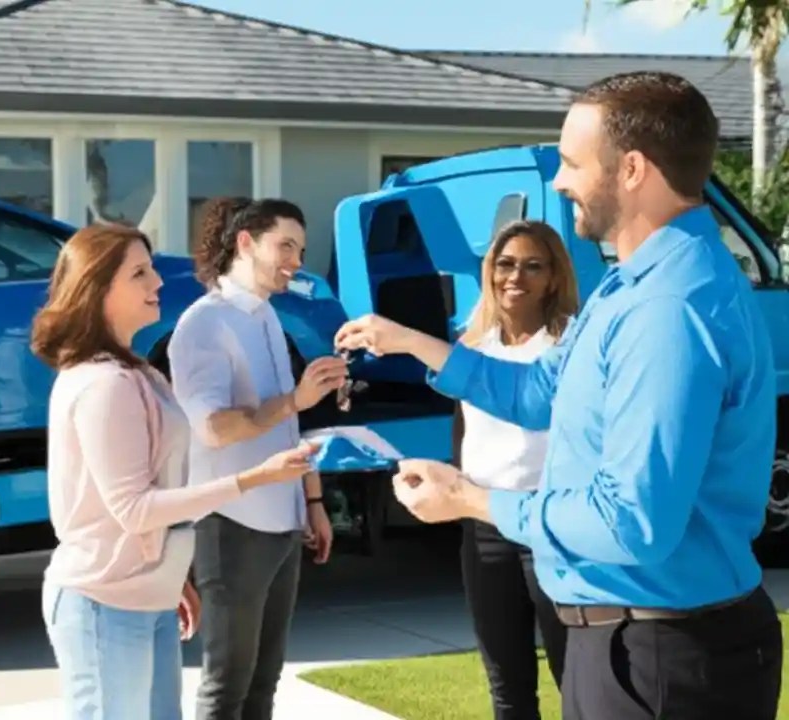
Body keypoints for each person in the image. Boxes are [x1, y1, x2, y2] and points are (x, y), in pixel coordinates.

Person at [335, 71, 783, 720]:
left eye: (573, 162)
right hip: (634, 647)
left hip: (661, 661)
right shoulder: (629, 286)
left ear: (631, 169)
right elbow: (539, 393)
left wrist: (472, 499)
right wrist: (412, 341)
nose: (561, 180)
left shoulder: (666, 308)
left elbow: (632, 521)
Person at [30, 222, 321, 720]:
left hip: (147, 598)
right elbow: (133, 509)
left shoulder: (137, 372)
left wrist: (170, 579)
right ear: (98, 289)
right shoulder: (103, 384)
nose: (158, 283)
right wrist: (253, 478)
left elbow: (158, 480)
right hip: (103, 603)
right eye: (139, 274)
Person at [168, 197, 348, 720]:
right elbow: (214, 427)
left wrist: (312, 500)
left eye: (301, 248)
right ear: (245, 242)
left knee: (264, 684)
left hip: (284, 521)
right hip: (232, 523)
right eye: (284, 246)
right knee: (227, 686)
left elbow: (288, 425)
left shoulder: (267, 314)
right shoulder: (204, 324)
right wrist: (296, 398)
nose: (296, 259)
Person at [453, 220, 578, 720]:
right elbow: (462, 432)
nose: (515, 276)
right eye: (505, 264)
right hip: (484, 528)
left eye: (532, 265)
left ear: (553, 277)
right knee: (507, 686)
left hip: (551, 527)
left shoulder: (568, 343)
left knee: (578, 679)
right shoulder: (471, 346)